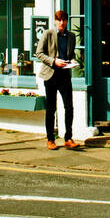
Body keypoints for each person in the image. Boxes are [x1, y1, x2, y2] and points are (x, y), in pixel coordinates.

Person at [35, 10, 79, 150]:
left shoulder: (71, 36)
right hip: (50, 75)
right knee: (51, 108)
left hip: (64, 75)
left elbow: (70, 55)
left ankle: (68, 138)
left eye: (64, 20)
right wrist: (54, 61)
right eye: (59, 20)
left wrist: (72, 60)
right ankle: (50, 139)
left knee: (69, 107)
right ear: (55, 20)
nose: (62, 23)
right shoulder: (48, 34)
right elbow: (39, 53)